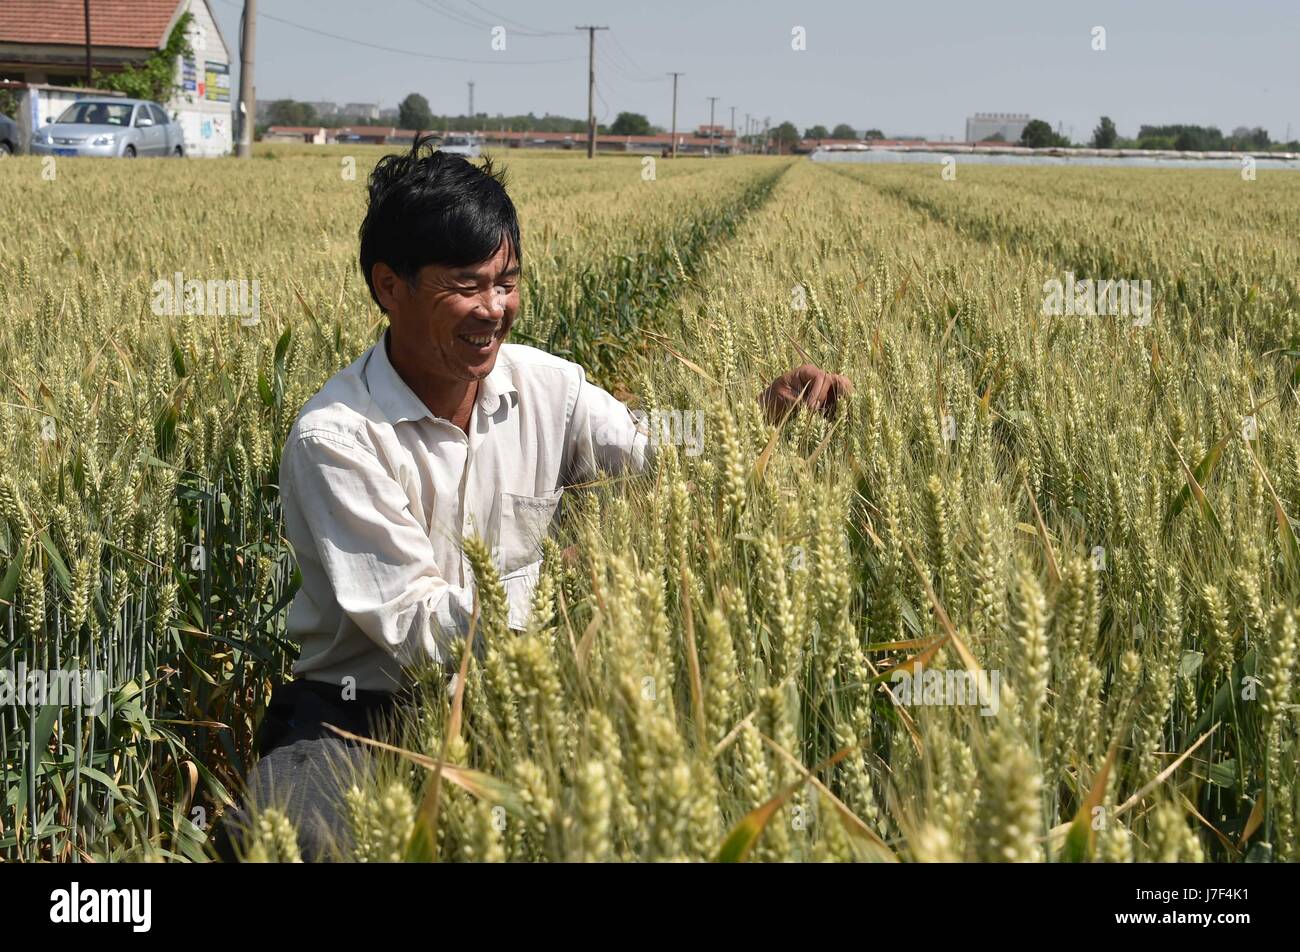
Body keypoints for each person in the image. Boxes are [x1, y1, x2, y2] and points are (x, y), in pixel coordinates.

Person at [215, 135, 851, 861]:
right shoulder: (337, 438)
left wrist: (761, 422)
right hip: (364, 713)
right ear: (389, 287)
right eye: (466, 284)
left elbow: (661, 463)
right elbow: (420, 632)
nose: (495, 308)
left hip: (529, 684)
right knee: (299, 839)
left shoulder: (550, 386)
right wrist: (569, 579)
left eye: (507, 280)